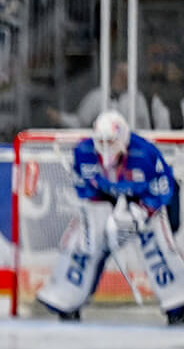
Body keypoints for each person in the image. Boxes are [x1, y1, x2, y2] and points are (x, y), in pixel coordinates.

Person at [37, 111, 184, 325]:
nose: (106, 147)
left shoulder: (145, 153)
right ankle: (64, 297)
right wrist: (101, 220)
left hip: (142, 200)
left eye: (111, 141)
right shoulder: (84, 152)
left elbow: (163, 190)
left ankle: (177, 301)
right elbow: (86, 190)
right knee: (85, 242)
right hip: (105, 199)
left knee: (155, 243)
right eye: (101, 141)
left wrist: (140, 212)